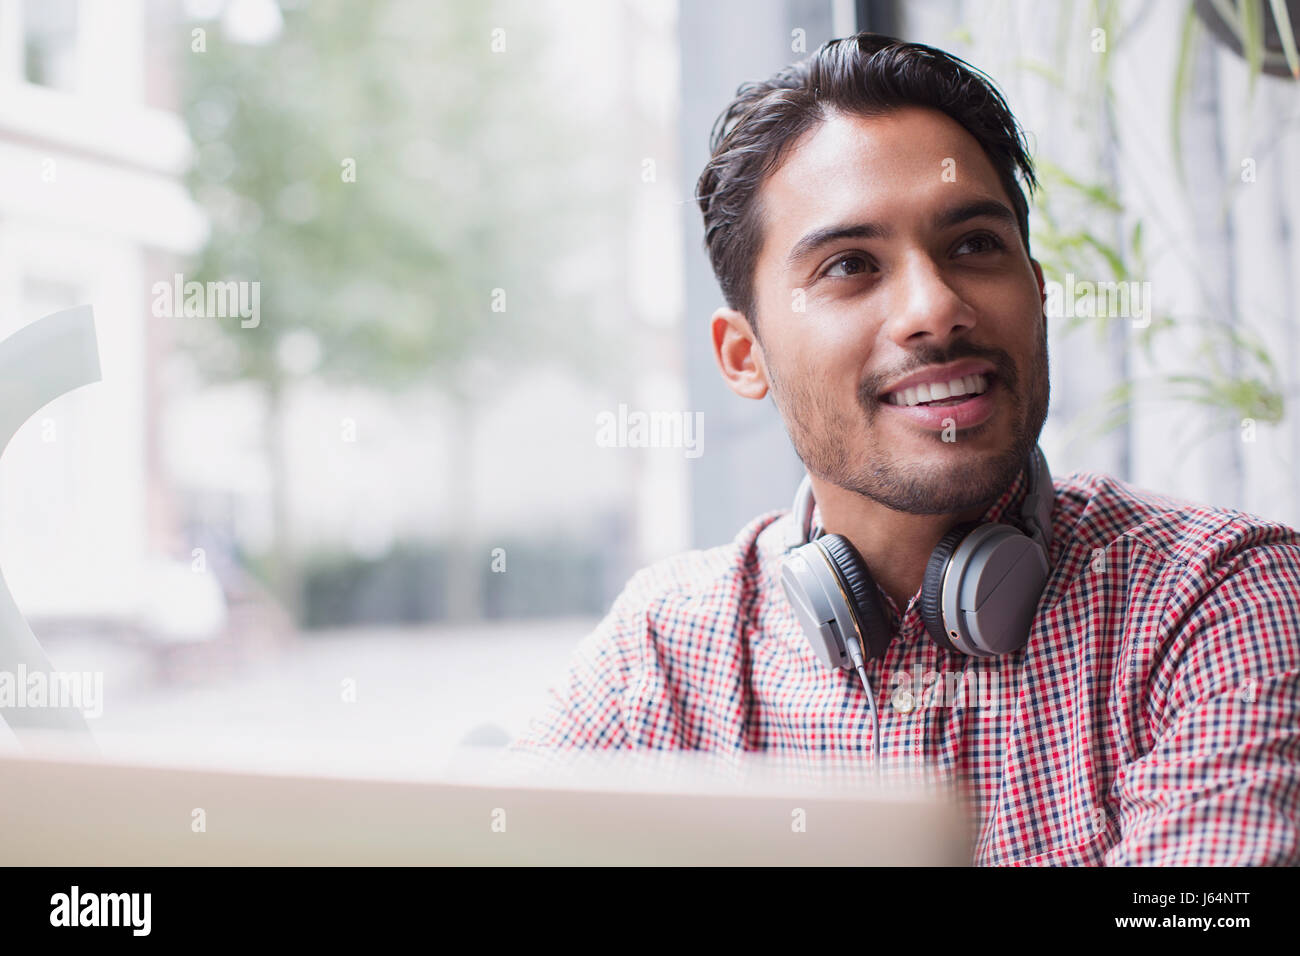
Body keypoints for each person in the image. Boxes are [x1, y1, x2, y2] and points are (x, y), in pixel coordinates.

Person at [509, 32, 1300, 866]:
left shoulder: (1219, 604)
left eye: (972, 246)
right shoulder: (662, 656)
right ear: (745, 357)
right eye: (851, 265)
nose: (934, 307)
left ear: (1036, 294)